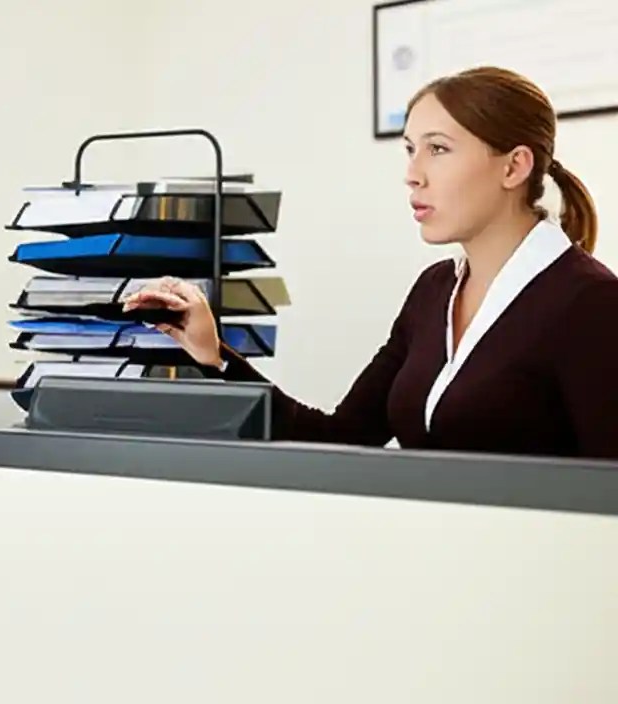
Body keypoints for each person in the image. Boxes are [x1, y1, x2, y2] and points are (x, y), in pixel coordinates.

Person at [124, 66, 618, 460]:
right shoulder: (434, 291)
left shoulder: (590, 301)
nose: (413, 174)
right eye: (409, 150)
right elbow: (344, 437)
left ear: (514, 166)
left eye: (438, 150)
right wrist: (215, 357)